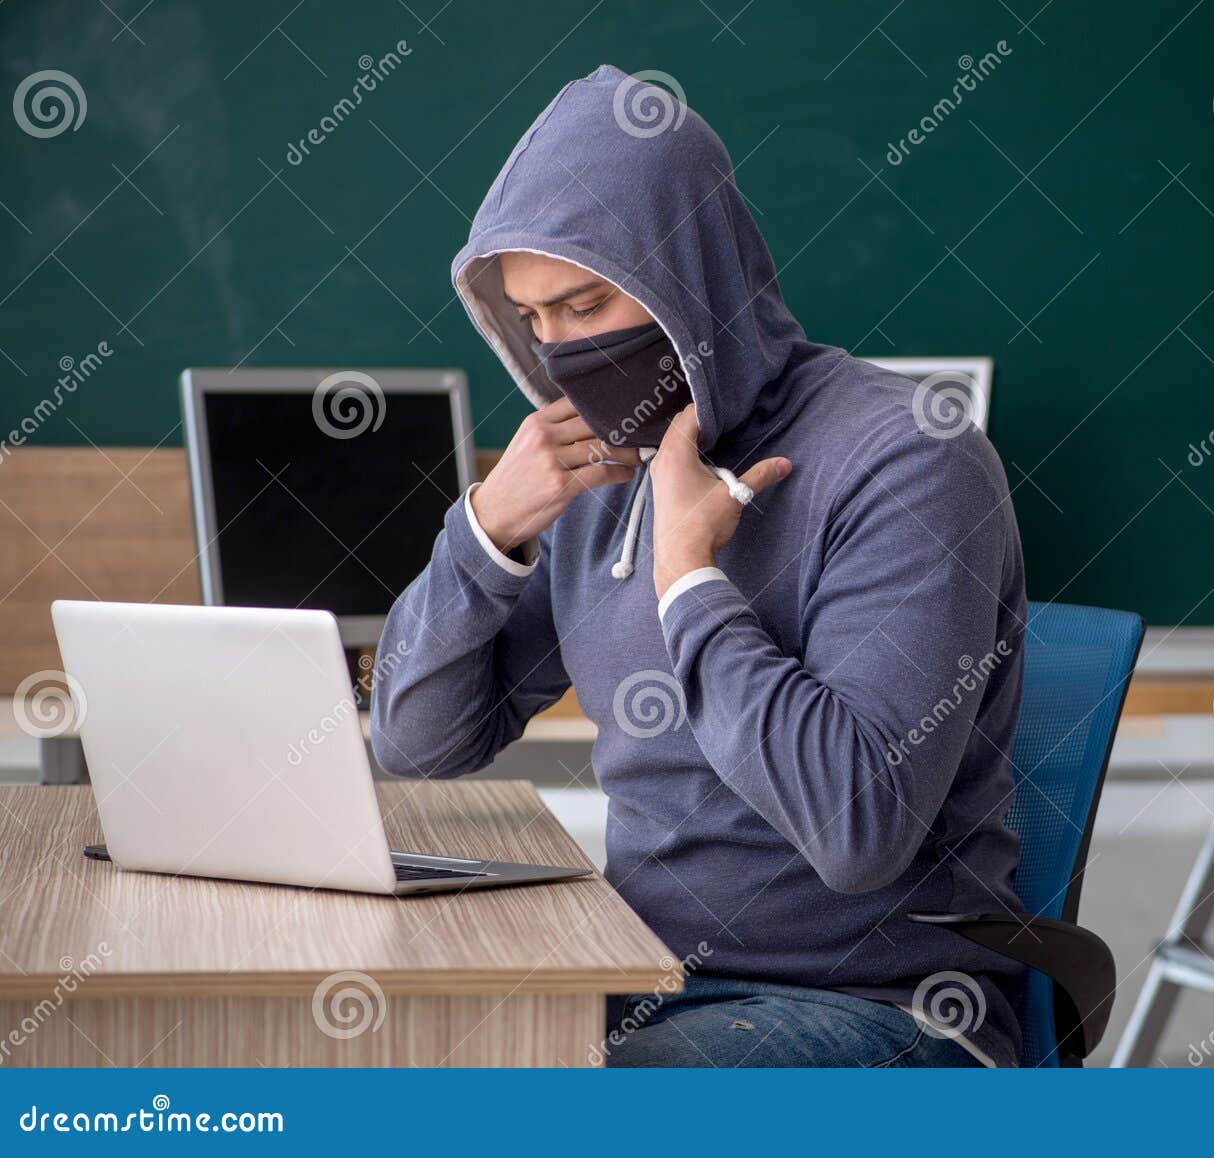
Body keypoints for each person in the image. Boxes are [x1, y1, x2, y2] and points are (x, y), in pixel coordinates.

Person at [370, 65, 1029, 1068]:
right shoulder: (604, 473)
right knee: (386, 1056)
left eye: (585, 305)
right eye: (532, 320)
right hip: (637, 976)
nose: (558, 352)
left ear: (693, 280)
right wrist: (486, 530)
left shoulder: (907, 460)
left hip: (881, 1009)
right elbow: (418, 743)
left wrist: (689, 579)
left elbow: (857, 829)